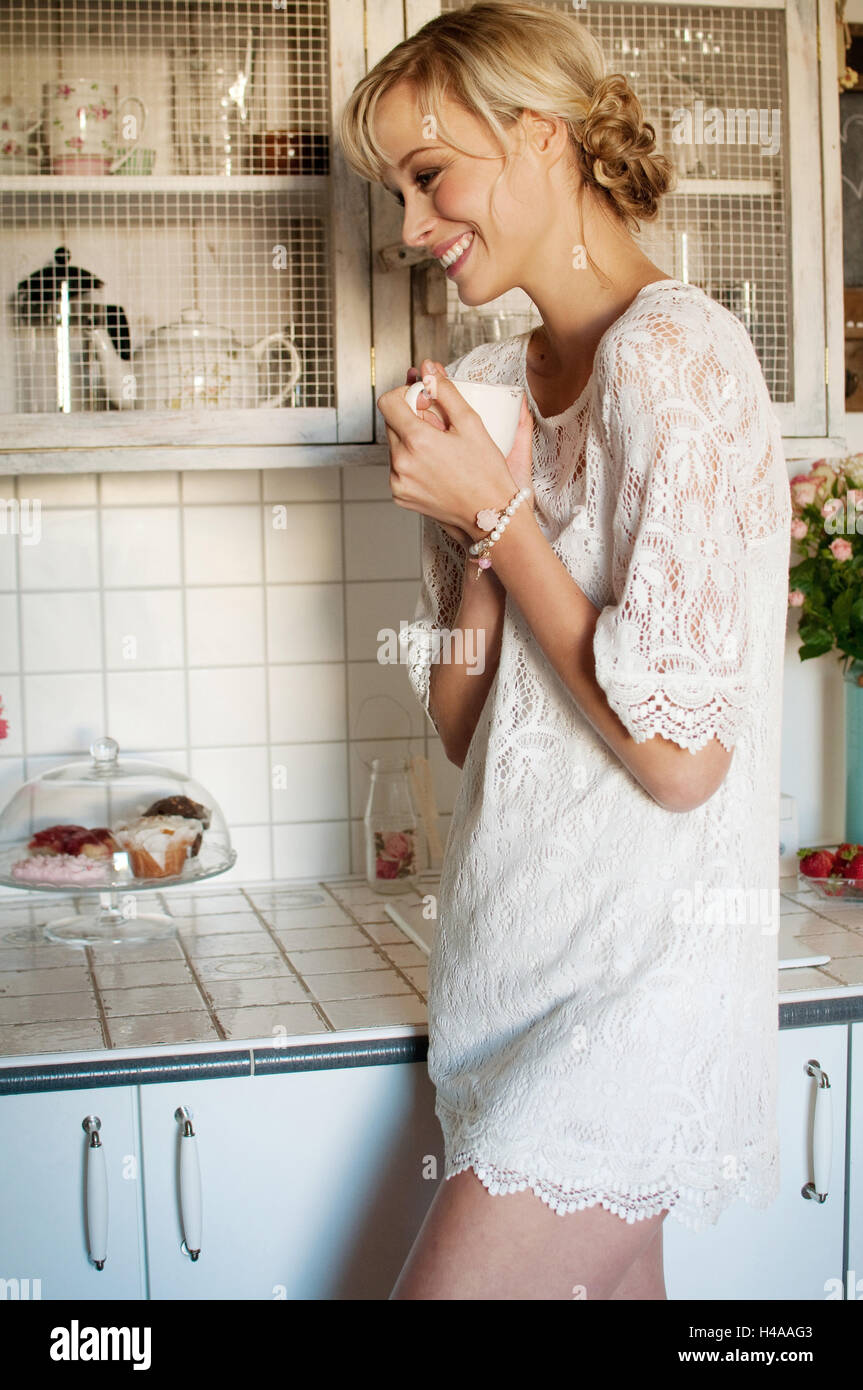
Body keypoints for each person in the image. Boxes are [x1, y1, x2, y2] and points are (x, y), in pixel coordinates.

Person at [339, 0, 792, 1300]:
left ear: (539, 137)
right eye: (398, 191)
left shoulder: (679, 355)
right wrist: (483, 515)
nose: (413, 226)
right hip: (512, 967)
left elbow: (684, 757)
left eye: (429, 177)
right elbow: (463, 715)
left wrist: (499, 509)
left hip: (635, 990)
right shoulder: (498, 376)